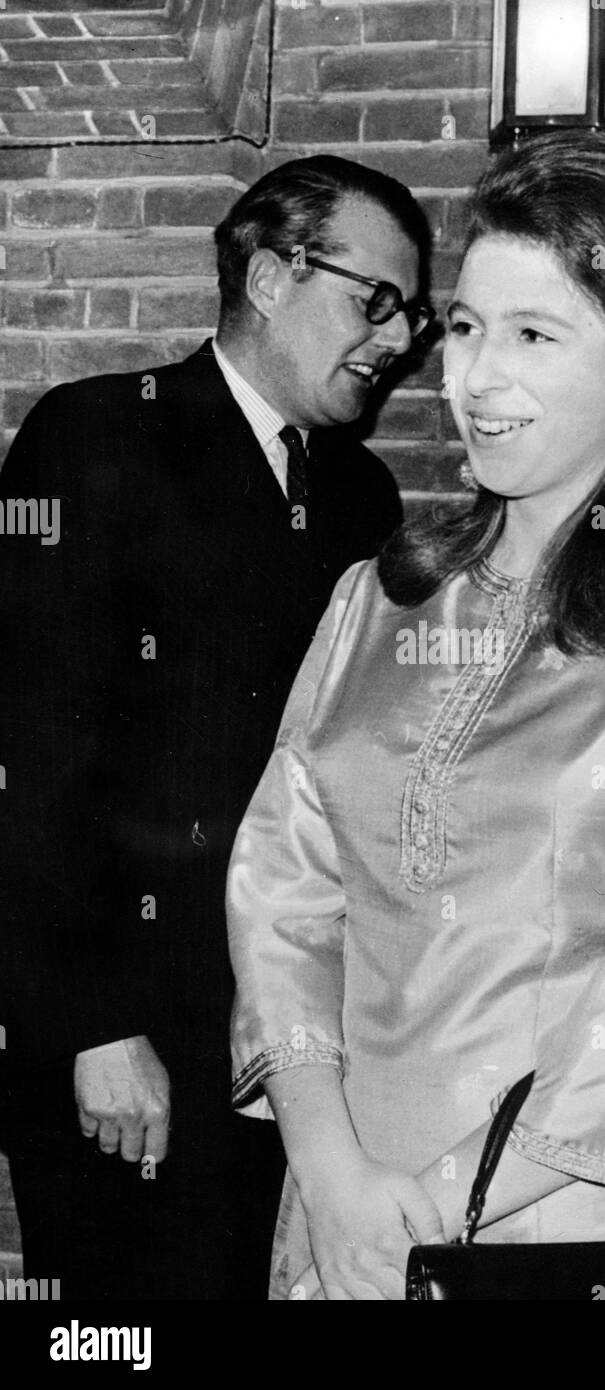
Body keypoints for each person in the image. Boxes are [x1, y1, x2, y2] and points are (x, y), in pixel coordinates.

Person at [227, 131, 605, 1302]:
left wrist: (416, 1224)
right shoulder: (377, 593)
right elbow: (281, 885)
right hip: (334, 1207)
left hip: (549, 1234)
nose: (475, 378)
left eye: (535, 336)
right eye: (467, 328)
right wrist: (333, 1172)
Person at [0, 155, 432, 1299]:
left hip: (289, 1055)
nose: (396, 340)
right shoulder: (93, 436)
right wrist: (94, 1028)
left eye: (413, 314)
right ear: (270, 274)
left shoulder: (362, 499)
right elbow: (29, 759)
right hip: (126, 1053)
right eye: (373, 300)